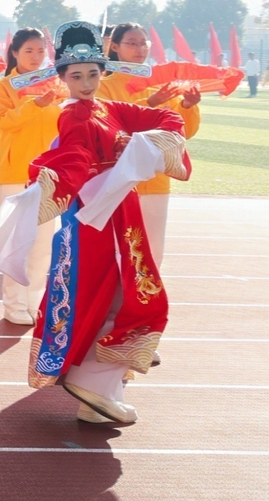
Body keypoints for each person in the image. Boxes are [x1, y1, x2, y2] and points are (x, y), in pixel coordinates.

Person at [17, 23, 192, 425]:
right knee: (116, 296)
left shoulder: (108, 108)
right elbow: (74, 158)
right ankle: (93, 383)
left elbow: (166, 117)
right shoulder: (74, 115)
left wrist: (143, 145)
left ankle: (98, 393)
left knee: (118, 295)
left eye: (93, 74)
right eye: (76, 76)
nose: (85, 83)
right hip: (96, 219)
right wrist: (57, 178)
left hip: (120, 215)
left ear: (102, 73)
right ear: (61, 79)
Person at [98, 22, 200, 275]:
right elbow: (113, 126)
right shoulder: (104, 85)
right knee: (118, 249)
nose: (139, 49)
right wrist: (151, 102)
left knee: (153, 250)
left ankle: (144, 308)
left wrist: (187, 105)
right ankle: (115, 308)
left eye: (143, 43)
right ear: (115, 47)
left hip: (155, 178)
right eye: (131, 43)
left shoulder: (160, 83)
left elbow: (184, 131)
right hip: (118, 178)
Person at [0, 29, 63, 325]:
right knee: (16, 242)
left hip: (50, 175)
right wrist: (35, 105)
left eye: (40, 51)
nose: (36, 56)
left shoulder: (58, 85)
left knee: (44, 244)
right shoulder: (2, 88)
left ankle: (35, 302)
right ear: (15, 53)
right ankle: (14, 304)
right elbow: (5, 121)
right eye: (29, 50)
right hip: (16, 173)